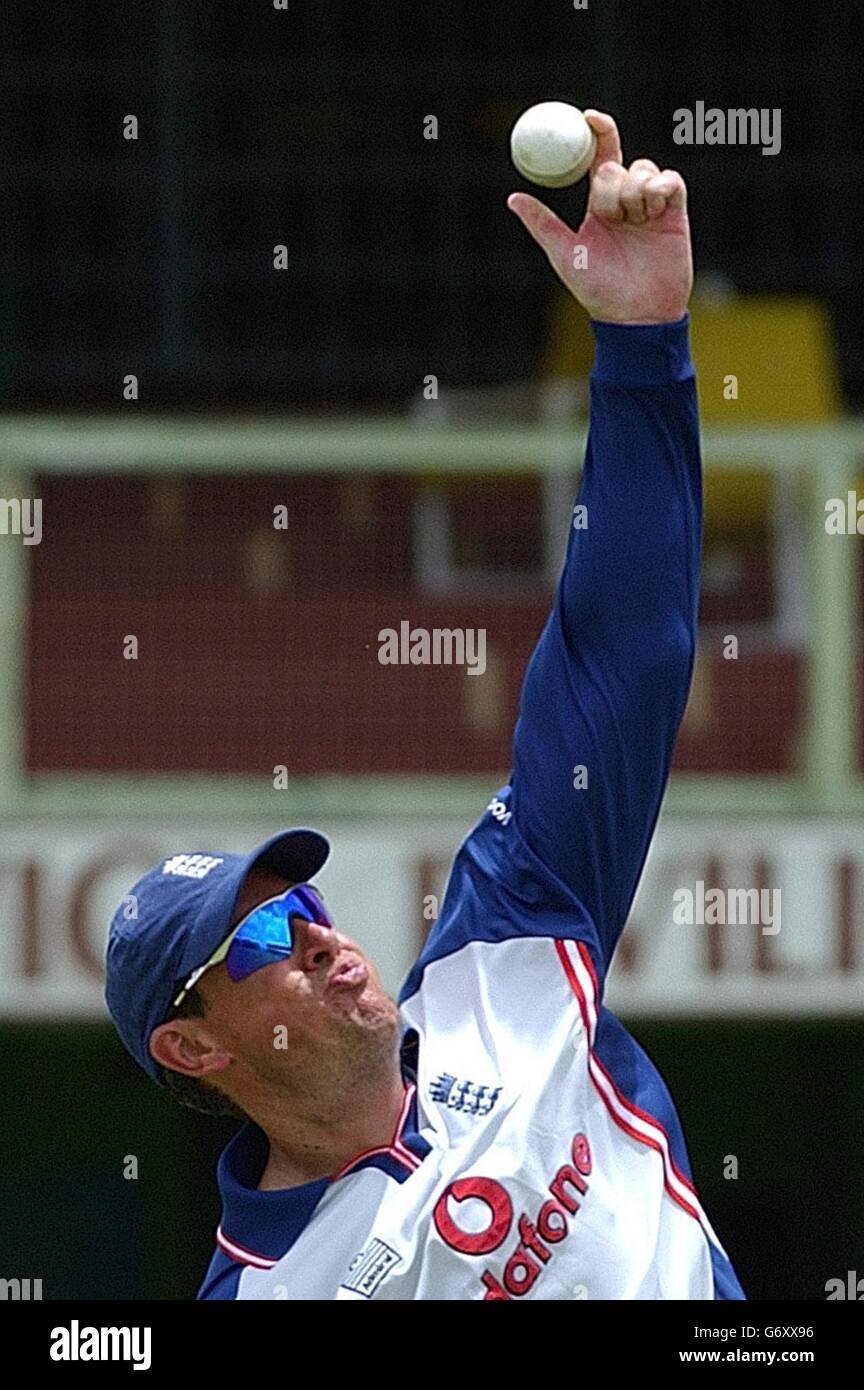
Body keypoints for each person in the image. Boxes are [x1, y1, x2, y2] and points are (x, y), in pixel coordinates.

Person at [105, 110, 745, 1301]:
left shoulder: (503, 953)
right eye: (254, 944)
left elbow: (623, 656)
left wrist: (643, 338)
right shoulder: (259, 1290)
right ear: (194, 1049)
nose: (315, 938)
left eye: (296, 904)